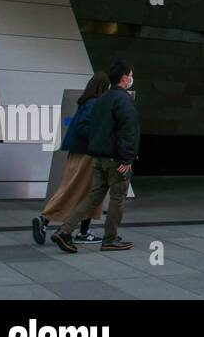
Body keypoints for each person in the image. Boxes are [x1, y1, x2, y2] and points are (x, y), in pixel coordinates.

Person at [50, 60, 139, 254]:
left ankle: (64, 230)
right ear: (125, 78)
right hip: (116, 159)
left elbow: (95, 129)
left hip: (98, 158)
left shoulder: (102, 99)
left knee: (93, 197)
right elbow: (128, 131)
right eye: (131, 74)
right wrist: (127, 159)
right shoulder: (123, 100)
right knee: (117, 198)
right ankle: (110, 239)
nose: (132, 78)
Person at [32, 72, 112, 245]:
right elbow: (85, 127)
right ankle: (44, 219)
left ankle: (82, 231)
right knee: (77, 190)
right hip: (86, 155)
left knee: (86, 192)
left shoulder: (86, 102)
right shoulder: (94, 104)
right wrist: (101, 135)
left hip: (80, 153)